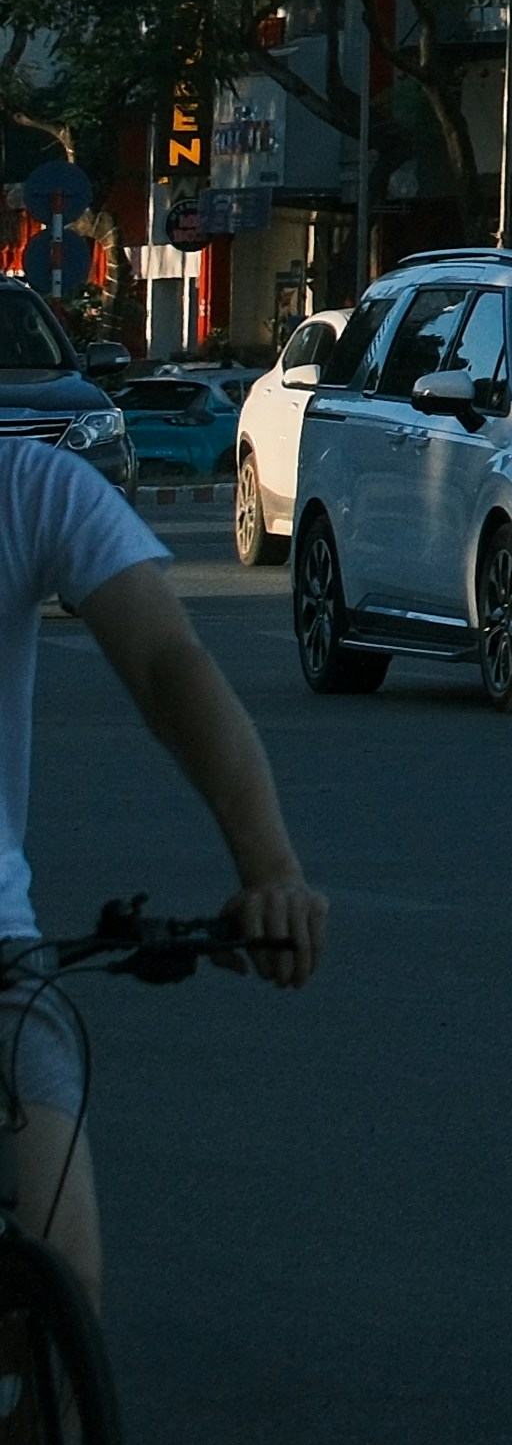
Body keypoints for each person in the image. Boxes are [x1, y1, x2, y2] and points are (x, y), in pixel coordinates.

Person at [0, 425, 320, 1326]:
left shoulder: (29, 489)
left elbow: (167, 665)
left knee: (62, 1283)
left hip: (0, 958)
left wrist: (271, 870)